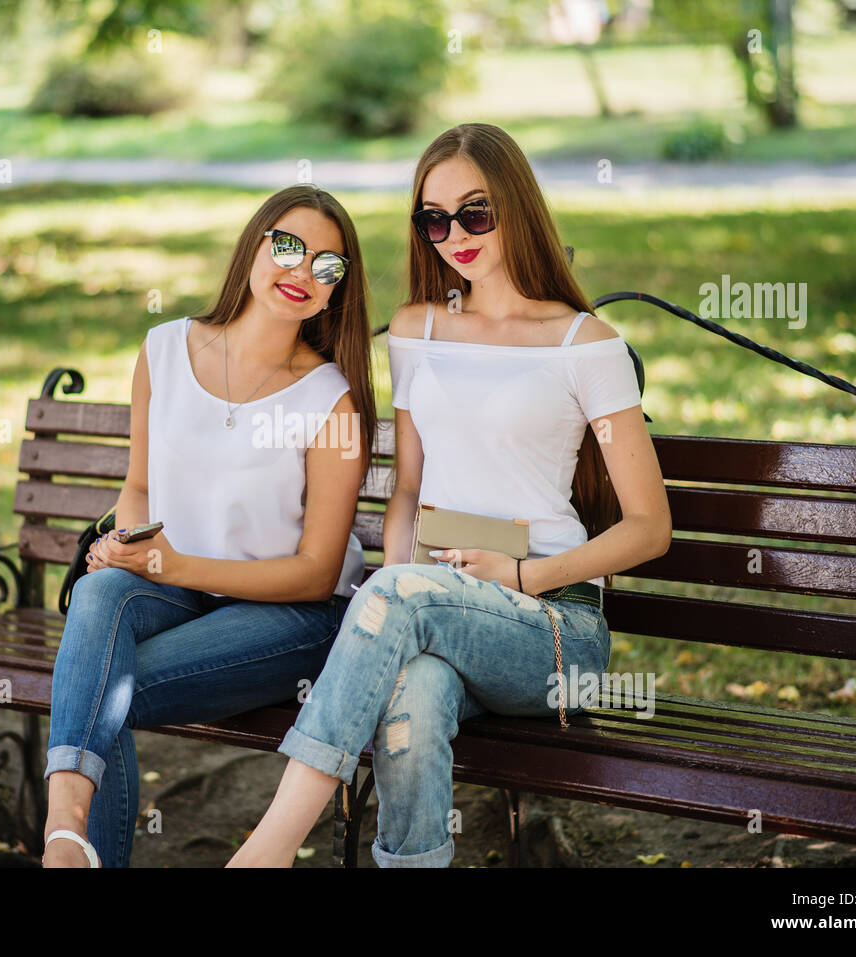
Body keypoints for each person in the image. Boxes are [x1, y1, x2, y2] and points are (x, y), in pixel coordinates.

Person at [228, 123, 672, 868]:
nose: (453, 235)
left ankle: (267, 848)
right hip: (437, 604)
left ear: (517, 207)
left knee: (397, 594)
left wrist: (521, 574)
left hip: (555, 627)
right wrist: (413, 579)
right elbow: (407, 490)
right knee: (412, 695)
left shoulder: (583, 343)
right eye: (433, 219)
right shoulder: (415, 329)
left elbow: (651, 527)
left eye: (475, 212)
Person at [42, 184, 378, 867]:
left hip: (294, 616)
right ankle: (64, 832)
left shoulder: (329, 400)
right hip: (182, 594)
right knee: (100, 593)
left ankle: (68, 846)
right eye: (288, 247)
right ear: (255, 244)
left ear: (337, 291)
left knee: (104, 685)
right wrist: (126, 546)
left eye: (327, 266)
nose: (301, 272)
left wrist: (169, 565)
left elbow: (317, 571)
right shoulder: (163, 350)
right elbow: (137, 487)